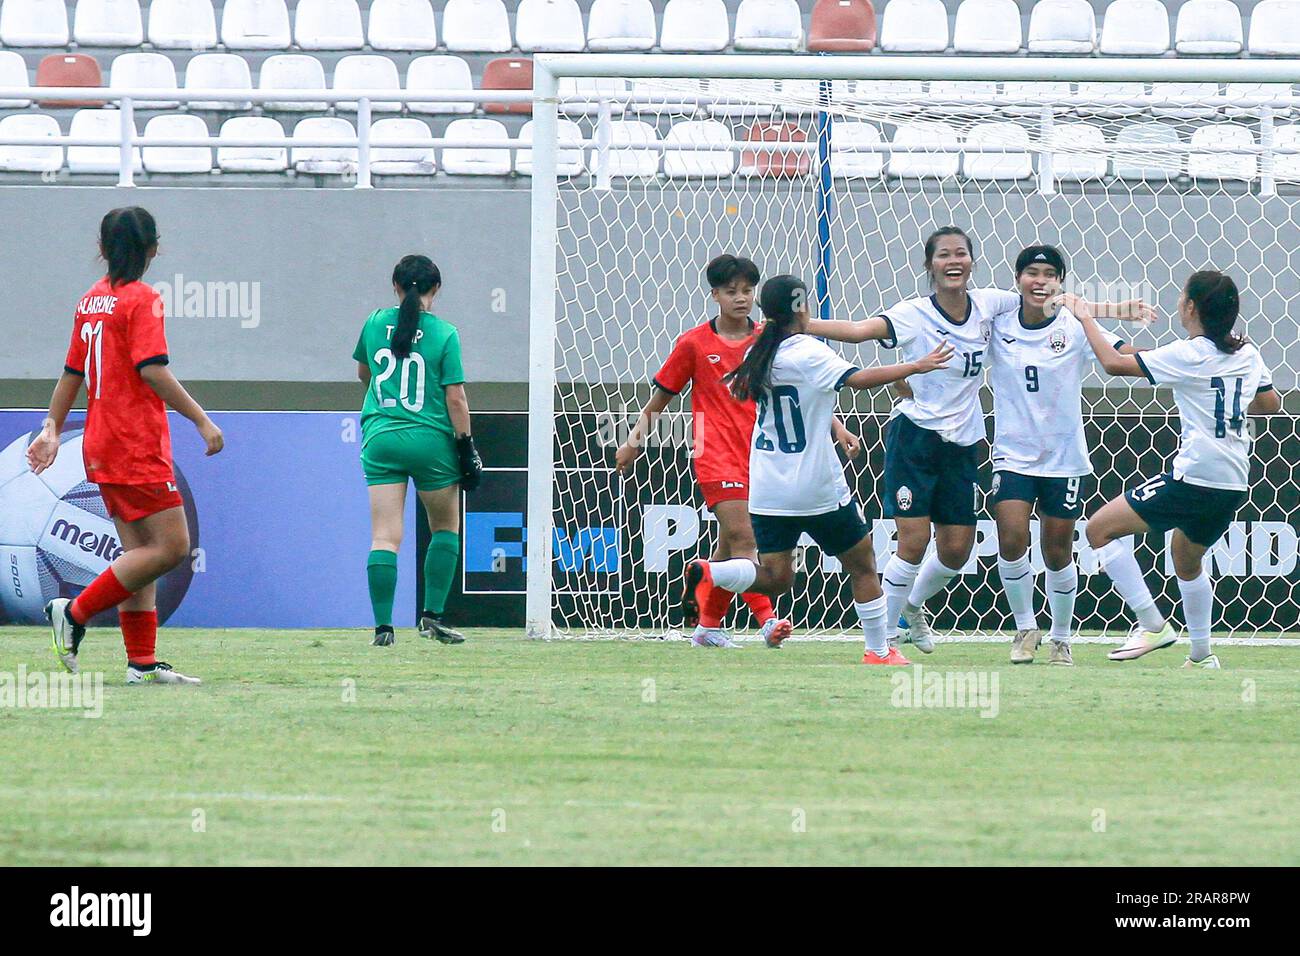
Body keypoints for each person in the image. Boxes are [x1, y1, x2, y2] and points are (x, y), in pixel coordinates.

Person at [808, 226, 1149, 652]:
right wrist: (800, 323)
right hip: (917, 438)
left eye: (961, 253)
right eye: (944, 255)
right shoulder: (916, 312)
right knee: (916, 543)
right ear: (930, 265)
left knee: (956, 551)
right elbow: (860, 330)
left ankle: (914, 607)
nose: (953, 261)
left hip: (967, 441)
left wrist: (1116, 309)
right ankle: (884, 642)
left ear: (972, 261)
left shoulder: (992, 305)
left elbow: (1055, 300)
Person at [680, 275, 952, 664]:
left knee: (776, 578)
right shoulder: (807, 350)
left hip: (768, 486)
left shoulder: (758, 351)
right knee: (862, 563)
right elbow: (856, 380)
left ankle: (713, 572)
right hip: (816, 486)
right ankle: (878, 650)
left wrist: (836, 427)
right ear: (802, 308)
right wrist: (916, 366)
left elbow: (808, 398)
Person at [617, 254, 862, 648]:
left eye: (748, 290)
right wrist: (633, 441)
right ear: (715, 294)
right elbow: (661, 398)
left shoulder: (768, 339)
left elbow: (802, 391)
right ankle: (768, 621)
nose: (741, 298)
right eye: (731, 291)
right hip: (715, 454)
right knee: (745, 538)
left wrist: (837, 427)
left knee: (729, 547)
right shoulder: (694, 343)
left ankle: (707, 627)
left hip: (766, 458)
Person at [30, 206, 223, 685]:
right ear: (153, 248)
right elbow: (153, 369)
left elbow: (72, 373)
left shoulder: (91, 301)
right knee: (173, 547)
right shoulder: (144, 299)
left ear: (102, 249)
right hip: (135, 443)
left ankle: (141, 663)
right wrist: (201, 420)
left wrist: (53, 426)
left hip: (100, 442)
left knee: (139, 554)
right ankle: (74, 613)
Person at [1066, 272, 1280, 669]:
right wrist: (1227, 410)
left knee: (1099, 529)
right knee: (1185, 556)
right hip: (1233, 481)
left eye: (1183, 297)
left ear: (1191, 307)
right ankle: (1201, 656)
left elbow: (1113, 364)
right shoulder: (1247, 353)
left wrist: (1084, 317)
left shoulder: (1188, 354)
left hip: (1195, 476)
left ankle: (1152, 623)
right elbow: (1269, 404)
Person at [985, 245, 1146, 665]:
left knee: (1057, 549)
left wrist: (1175, 362)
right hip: (1012, 454)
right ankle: (1024, 629)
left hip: (1063, 457)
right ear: (1018, 278)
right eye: (1032, 273)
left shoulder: (1075, 325)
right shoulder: (997, 323)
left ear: (1060, 281)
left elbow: (1121, 353)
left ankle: (1061, 637)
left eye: (1050, 274)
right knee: (1011, 537)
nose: (1040, 281)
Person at [353, 254, 483, 647]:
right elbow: (456, 399)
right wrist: (467, 447)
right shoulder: (445, 333)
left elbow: (365, 374)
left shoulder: (375, 322)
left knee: (384, 536)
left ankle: (383, 629)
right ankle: (433, 618)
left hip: (382, 437)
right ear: (436, 289)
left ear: (395, 286)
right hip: (431, 441)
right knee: (444, 528)